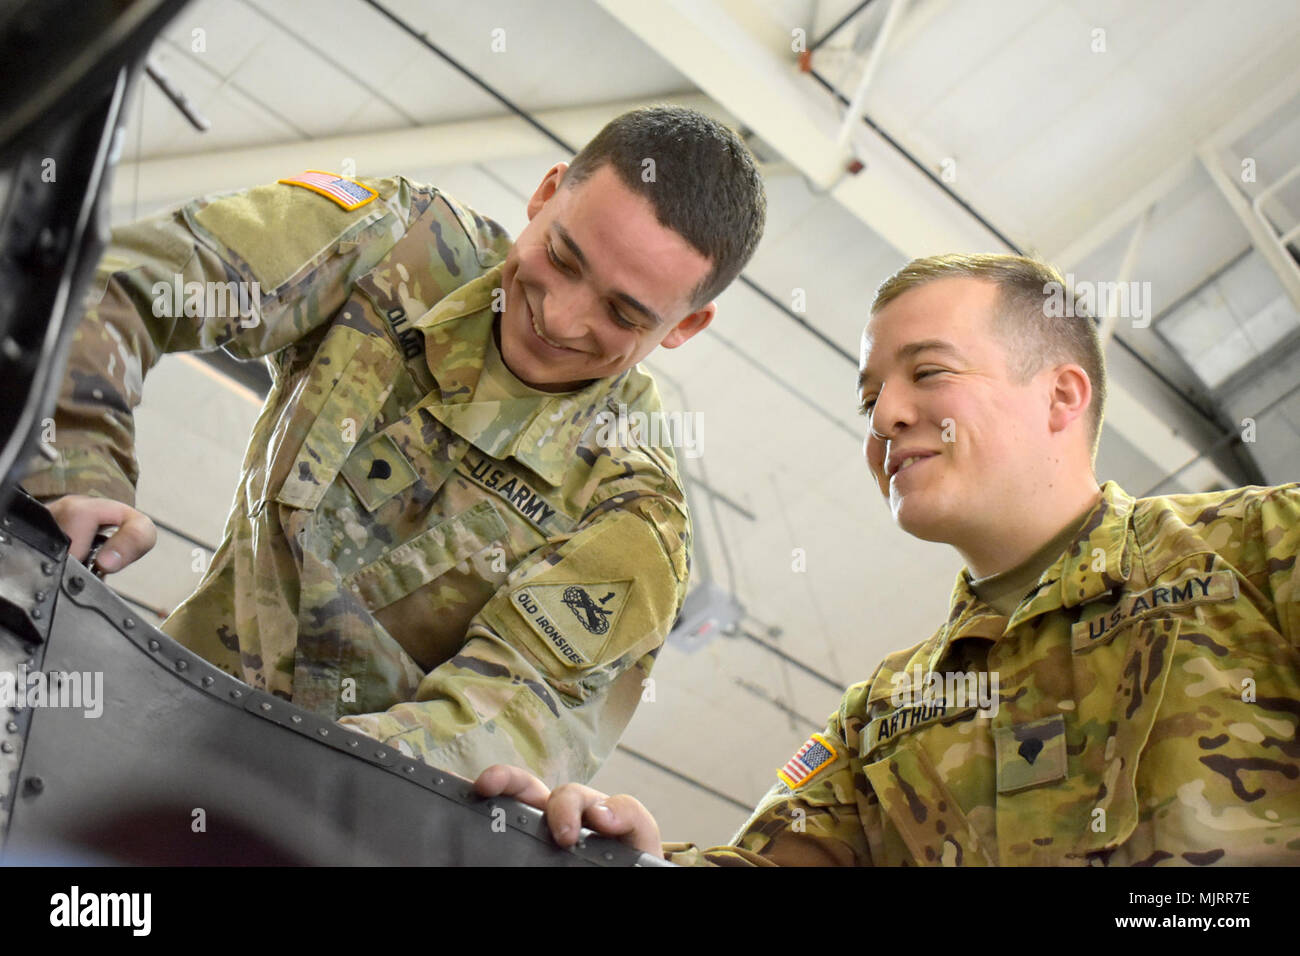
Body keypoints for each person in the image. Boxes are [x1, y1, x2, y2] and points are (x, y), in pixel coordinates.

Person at [23, 105, 767, 787]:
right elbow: (121, 283)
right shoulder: (396, 246)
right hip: (142, 714)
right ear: (544, 194)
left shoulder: (630, 517)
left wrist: (280, 782)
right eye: (564, 258)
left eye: (622, 312)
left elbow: (509, 721)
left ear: (684, 327)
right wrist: (79, 465)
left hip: (322, 824)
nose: (561, 317)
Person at [476, 253, 1300, 864]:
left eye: (928, 373)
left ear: (1061, 394)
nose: (886, 417)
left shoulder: (1260, 549)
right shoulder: (883, 720)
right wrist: (611, 850)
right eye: (870, 399)